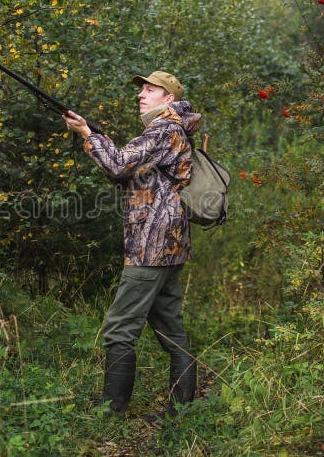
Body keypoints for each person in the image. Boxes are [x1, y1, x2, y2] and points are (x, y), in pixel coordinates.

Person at [62, 70, 202, 420]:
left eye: (150, 89)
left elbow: (118, 165)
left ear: (168, 99)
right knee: (171, 330)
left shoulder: (163, 130)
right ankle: (182, 411)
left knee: (119, 328)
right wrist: (94, 134)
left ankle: (111, 413)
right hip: (168, 244)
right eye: (141, 88)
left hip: (150, 246)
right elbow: (129, 167)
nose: (142, 94)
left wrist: (87, 135)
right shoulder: (172, 130)